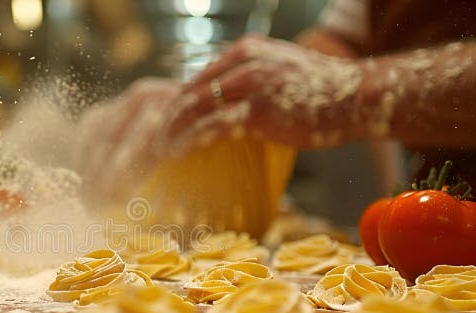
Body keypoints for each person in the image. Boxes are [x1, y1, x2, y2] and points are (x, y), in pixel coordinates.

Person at [74, 0, 476, 200]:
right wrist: (209, 99)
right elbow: (338, 47)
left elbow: (343, 78)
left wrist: (349, 90)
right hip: (432, 223)